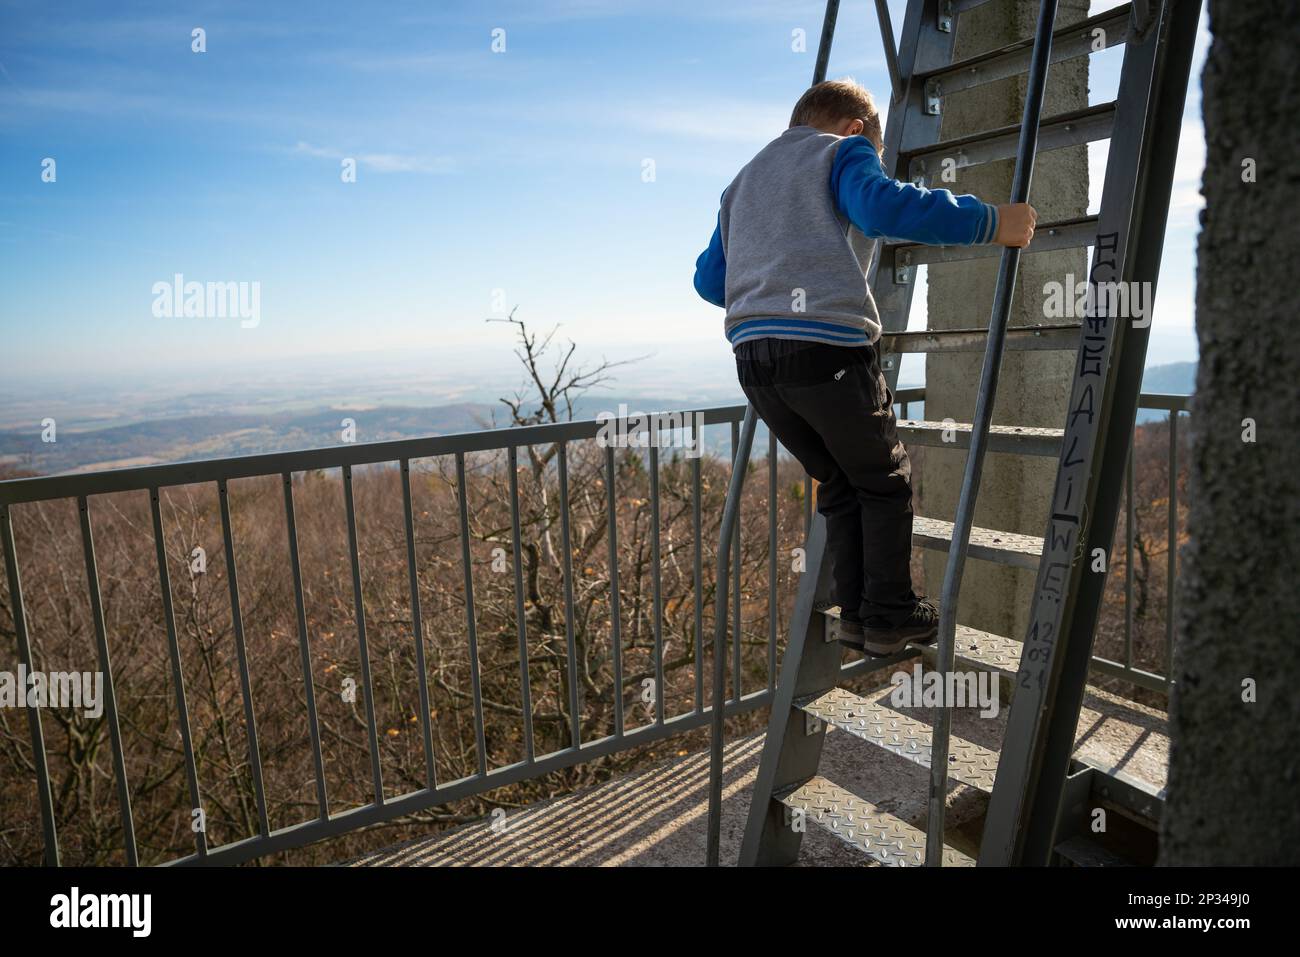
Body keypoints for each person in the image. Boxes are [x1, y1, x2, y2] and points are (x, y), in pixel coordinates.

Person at [692, 79, 1036, 656]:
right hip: (826, 349)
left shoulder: (742, 181)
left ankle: (859, 616)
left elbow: (709, 281)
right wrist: (991, 222)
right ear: (857, 129)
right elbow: (879, 208)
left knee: (842, 481)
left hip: (754, 361)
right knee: (885, 479)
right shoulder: (842, 150)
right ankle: (892, 614)